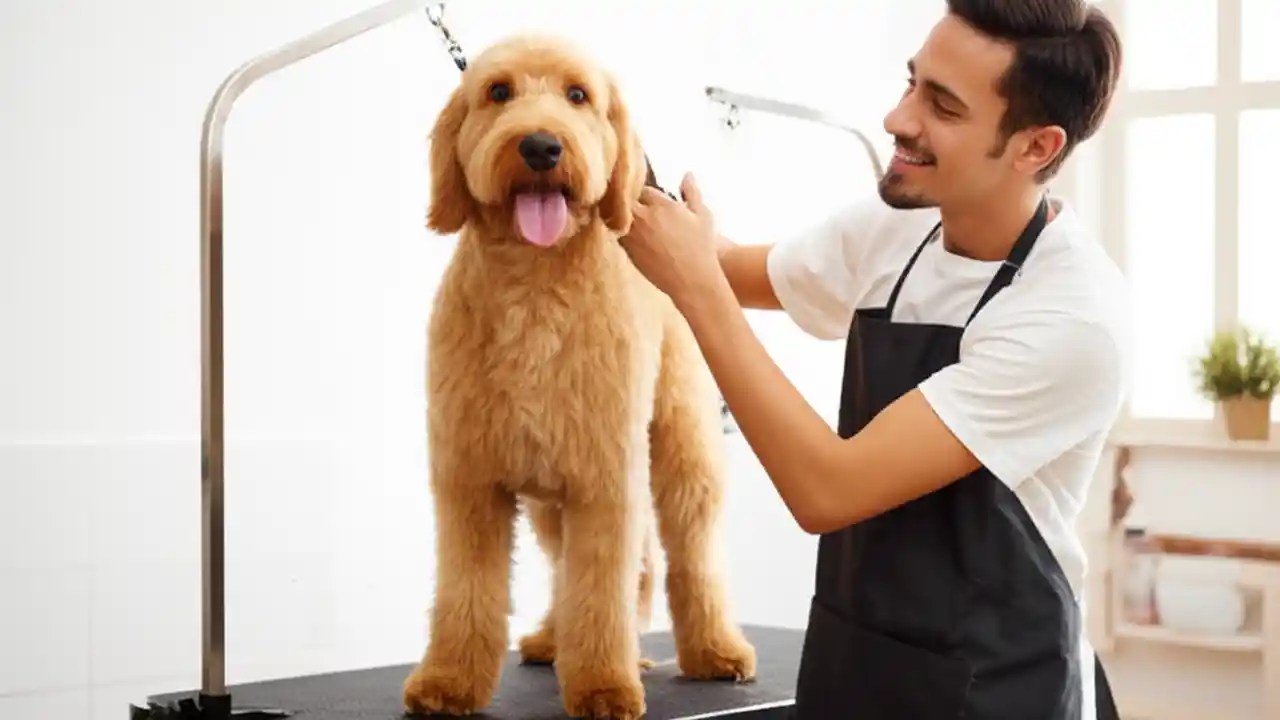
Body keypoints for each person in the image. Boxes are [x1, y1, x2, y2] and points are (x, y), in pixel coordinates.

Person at [620, 1, 1129, 718]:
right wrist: (620, 176)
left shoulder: (1070, 318)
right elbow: (731, 267)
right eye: (912, 83)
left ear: (1036, 148)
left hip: (998, 687)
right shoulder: (903, 221)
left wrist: (696, 289)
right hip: (858, 659)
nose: (898, 119)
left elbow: (828, 490)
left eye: (943, 107)